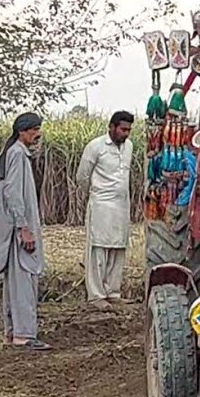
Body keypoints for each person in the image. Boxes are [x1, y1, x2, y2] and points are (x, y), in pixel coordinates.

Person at [0, 112, 50, 351]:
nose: (38, 135)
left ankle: (13, 332)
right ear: (23, 131)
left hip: (17, 226)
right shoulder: (17, 154)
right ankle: (24, 334)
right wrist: (23, 227)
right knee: (23, 280)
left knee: (15, 281)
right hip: (20, 228)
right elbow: (13, 193)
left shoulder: (16, 154)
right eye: (34, 129)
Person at [77, 111, 134, 310]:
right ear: (111, 127)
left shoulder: (129, 147)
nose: (126, 134)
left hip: (121, 206)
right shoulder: (95, 147)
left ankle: (113, 292)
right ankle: (96, 296)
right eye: (122, 129)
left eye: (128, 130)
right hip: (101, 205)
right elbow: (82, 177)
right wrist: (95, 195)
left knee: (118, 248)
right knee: (98, 249)